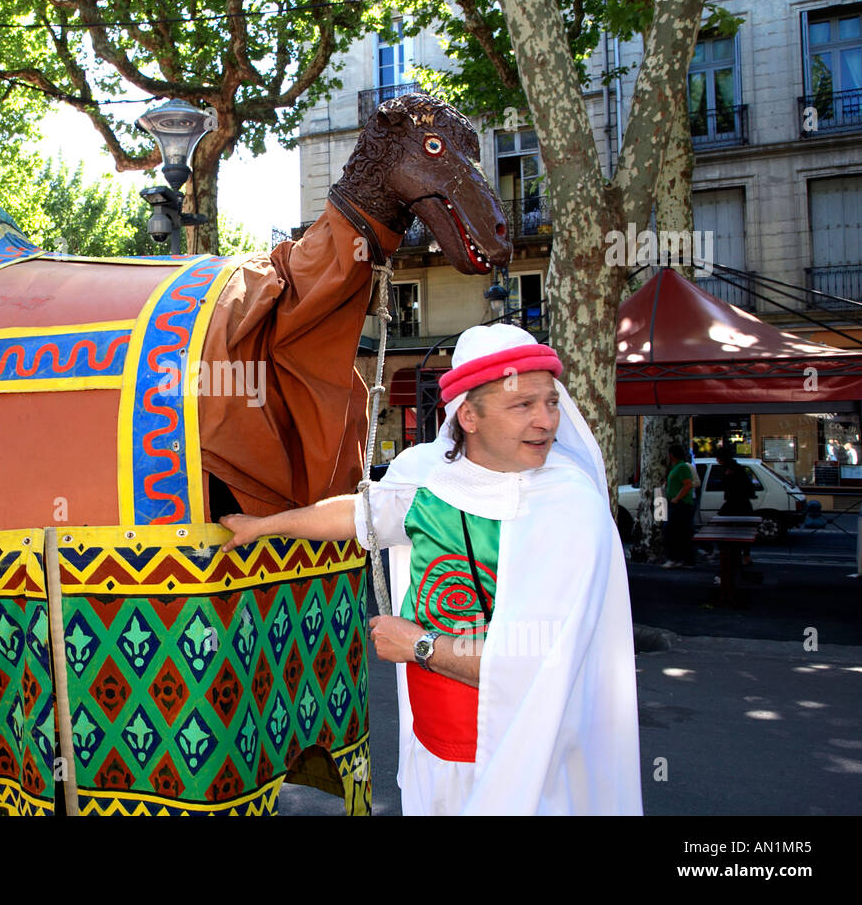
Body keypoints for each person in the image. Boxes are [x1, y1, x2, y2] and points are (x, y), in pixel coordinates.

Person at [218, 325, 642, 815]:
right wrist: (264, 526)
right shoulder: (428, 479)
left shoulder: (569, 506)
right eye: (522, 405)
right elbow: (357, 514)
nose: (546, 421)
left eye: (550, 402)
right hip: (436, 742)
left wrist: (419, 645)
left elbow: (541, 663)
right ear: (469, 415)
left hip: (529, 749)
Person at [715, 444, 755, 564]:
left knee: (724, 527)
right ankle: (744, 556)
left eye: (718, 458)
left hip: (735, 503)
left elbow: (728, 485)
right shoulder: (735, 467)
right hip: (741, 503)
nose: (717, 460)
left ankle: (731, 554)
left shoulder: (730, 469)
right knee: (743, 531)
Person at [663, 443, 697, 569]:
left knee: (674, 531)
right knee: (678, 532)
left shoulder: (682, 467)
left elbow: (688, 484)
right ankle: (681, 558)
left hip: (680, 505)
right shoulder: (676, 467)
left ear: (672, 454)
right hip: (676, 503)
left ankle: (676, 558)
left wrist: (677, 498)